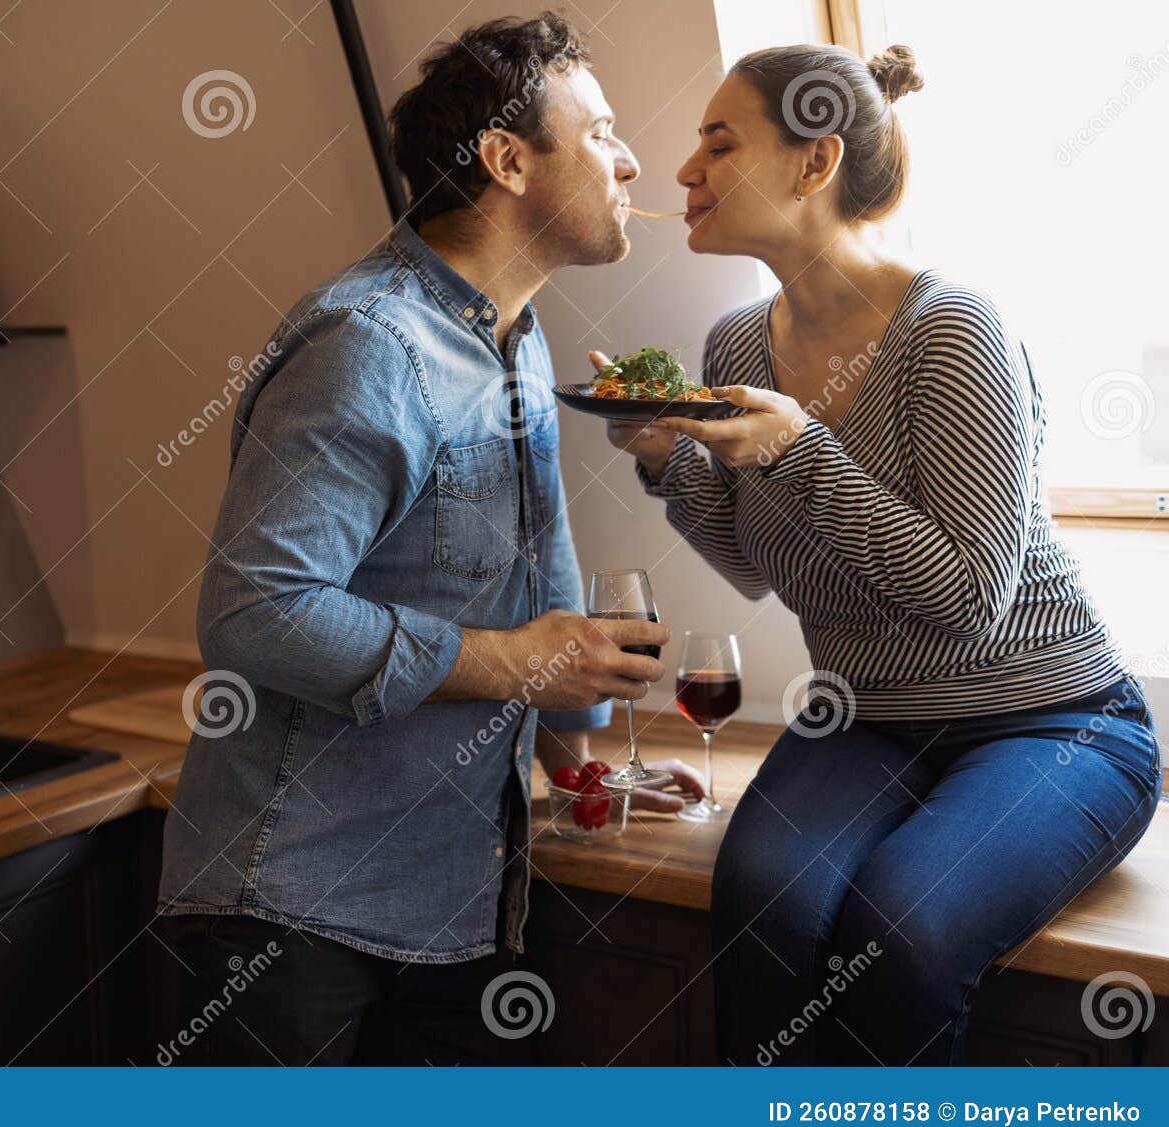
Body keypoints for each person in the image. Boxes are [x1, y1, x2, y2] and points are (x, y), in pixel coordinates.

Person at [157, 13, 703, 1066]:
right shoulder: (368, 342)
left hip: (458, 892)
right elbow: (254, 610)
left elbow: (536, 583)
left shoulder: (517, 336)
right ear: (507, 161)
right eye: (600, 133)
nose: (632, 159)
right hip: (295, 905)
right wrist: (513, 662)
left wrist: (586, 775)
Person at [604, 42, 1161, 1065]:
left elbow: (967, 598)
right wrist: (664, 457)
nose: (683, 170)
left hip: (1053, 724)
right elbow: (756, 563)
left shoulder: (951, 330)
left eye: (719, 145)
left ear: (814, 162)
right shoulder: (735, 346)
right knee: (759, 903)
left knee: (900, 934)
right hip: (864, 717)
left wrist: (796, 449)